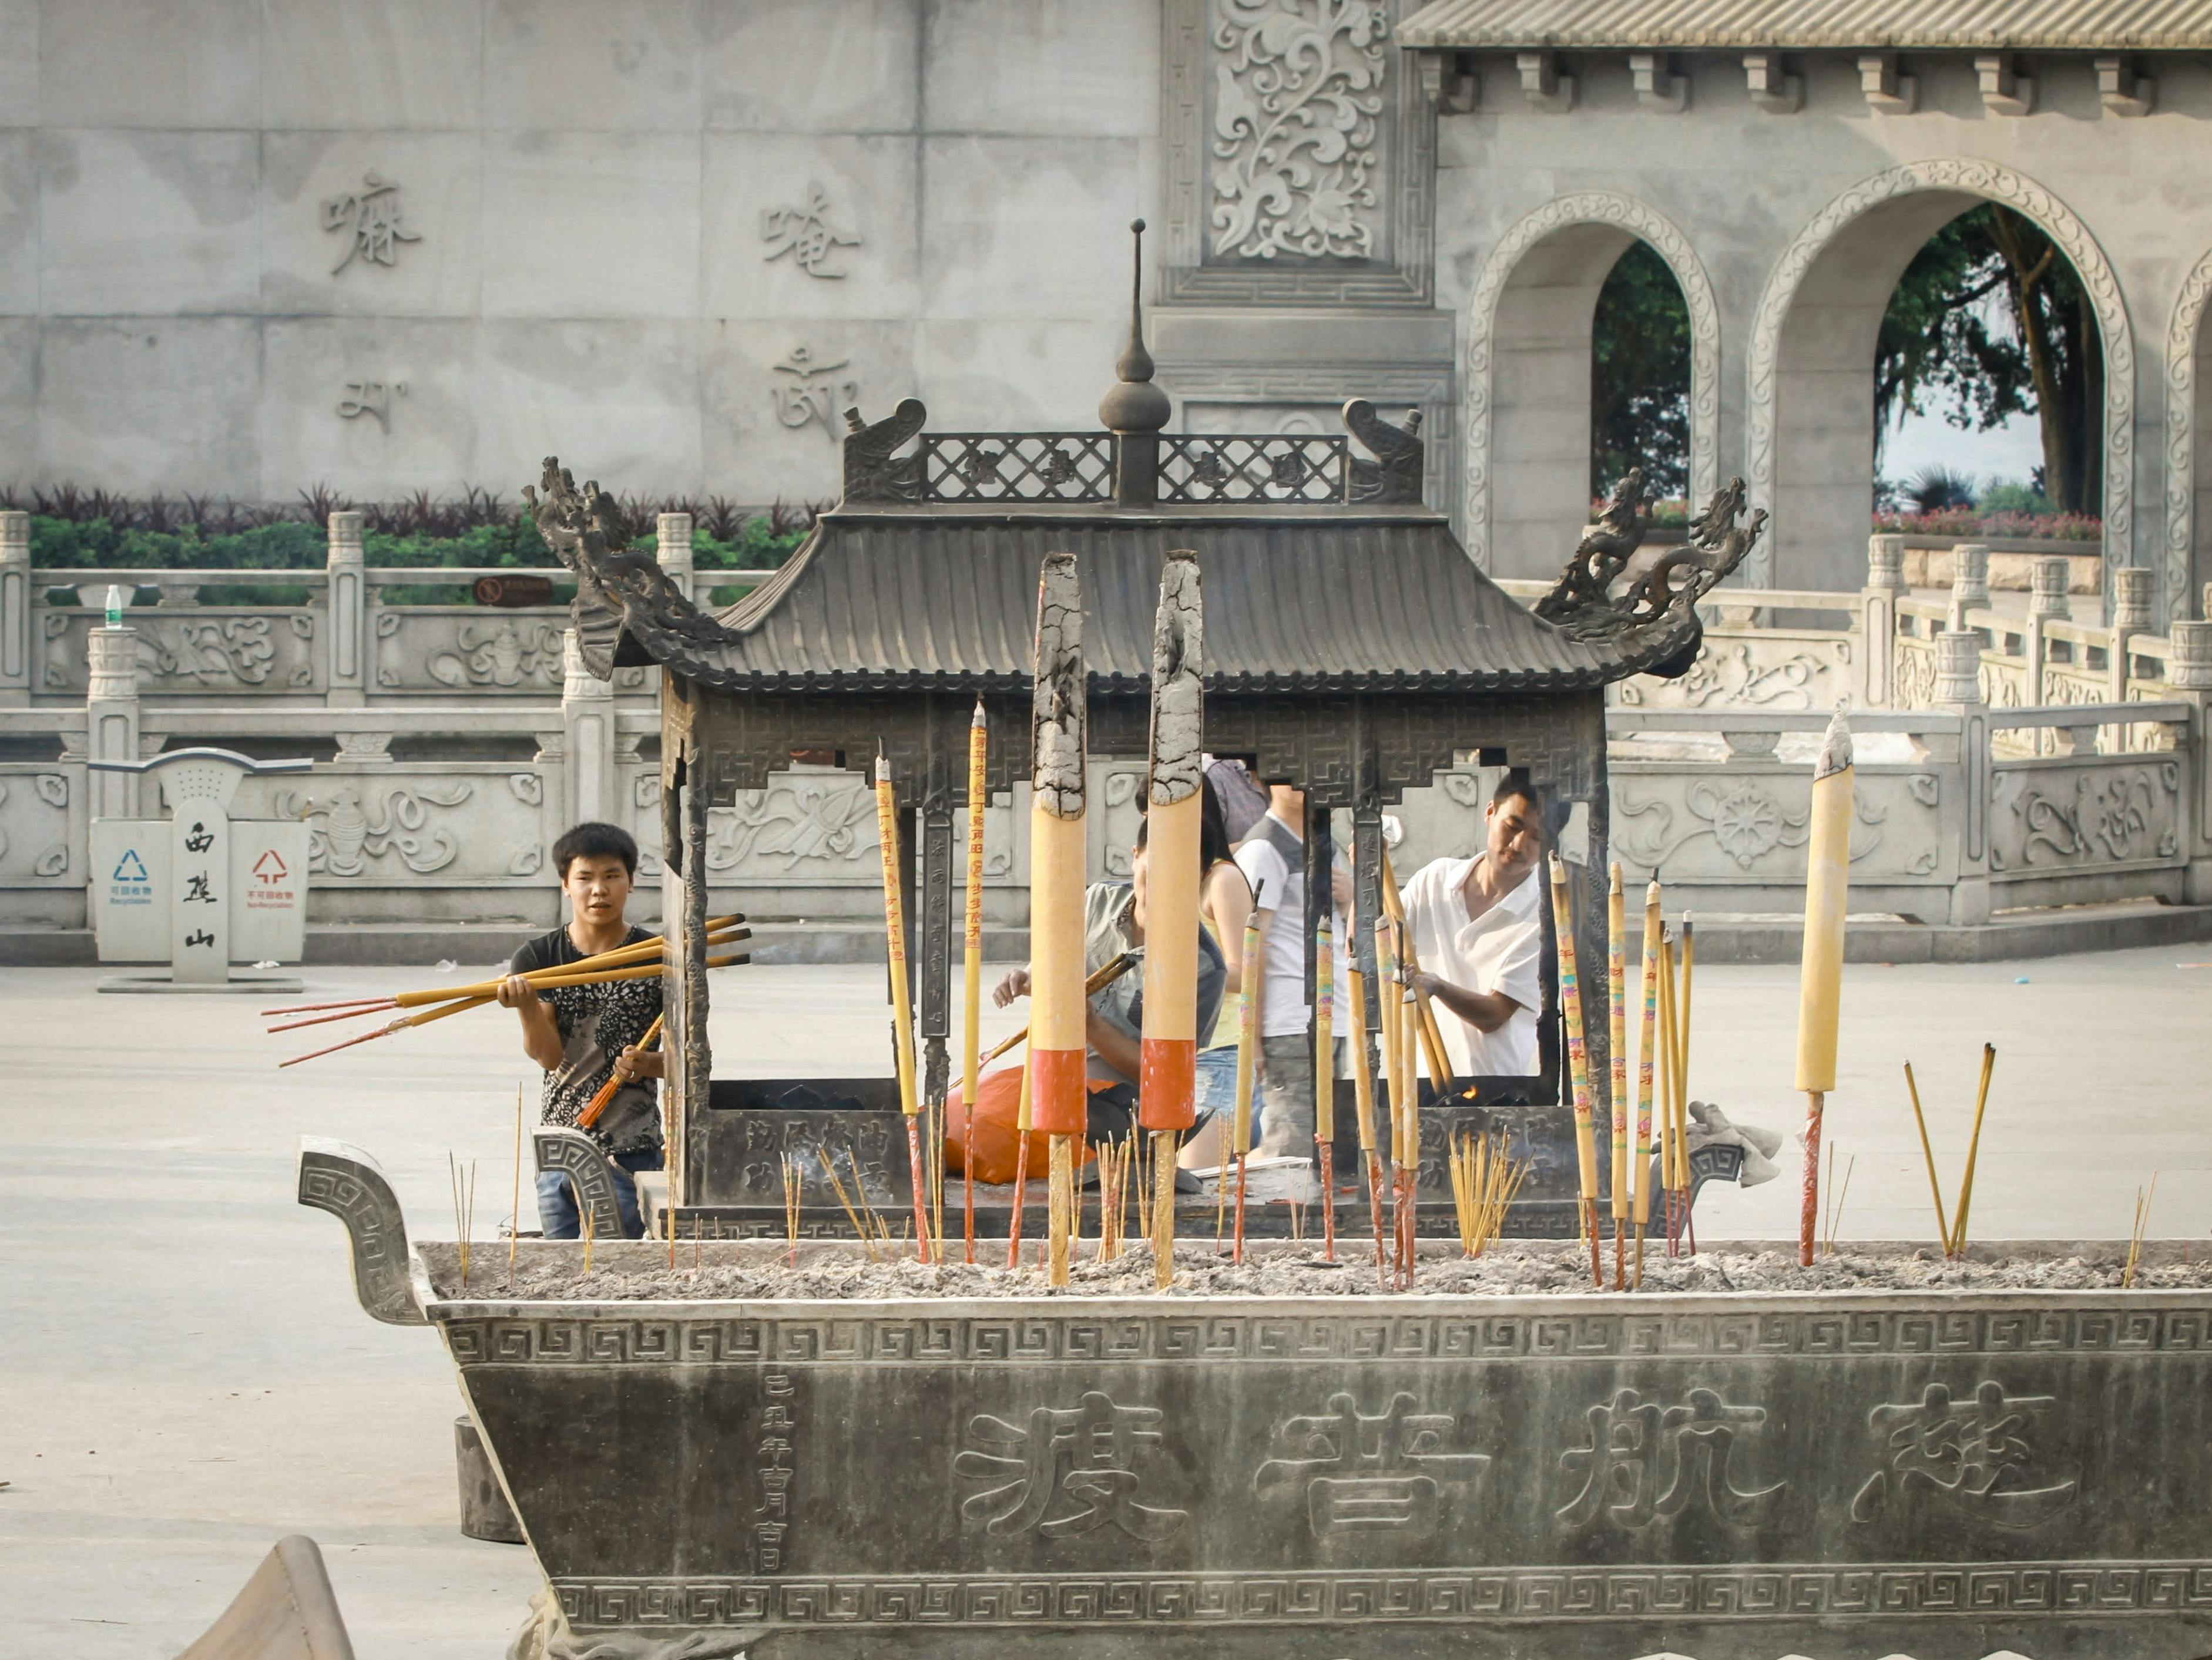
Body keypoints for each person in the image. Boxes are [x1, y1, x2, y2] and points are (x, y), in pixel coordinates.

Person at [991, 815, 1227, 1144]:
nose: (1163, 887)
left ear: (1203, 876)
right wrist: (1027, 978)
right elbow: (1048, 968)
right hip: (1051, 1076)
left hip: (1121, 1111)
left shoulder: (1204, 967)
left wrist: (1091, 1024)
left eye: (1180, 876)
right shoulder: (1096, 901)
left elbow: (1164, 1077)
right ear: (1134, 856)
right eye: (1153, 872)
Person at [498, 822, 664, 1239]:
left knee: (617, 1268)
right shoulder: (540, 957)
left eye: (611, 877)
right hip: (562, 1144)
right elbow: (550, 1058)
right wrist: (526, 1010)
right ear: (565, 886)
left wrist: (649, 1064)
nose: (599, 890)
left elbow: (692, 1062)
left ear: (630, 883)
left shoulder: (661, 959)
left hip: (632, 1149)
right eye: (585, 878)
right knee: (565, 1267)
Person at [1233, 781, 1352, 1184]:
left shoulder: (1325, 843)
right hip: (1288, 1018)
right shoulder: (1263, 847)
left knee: (1325, 1144)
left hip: (1330, 1013)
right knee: (1295, 1146)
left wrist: (1350, 899)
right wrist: (1252, 1035)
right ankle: (1287, 1231)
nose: (1302, 783)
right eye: (1288, 774)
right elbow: (1253, 944)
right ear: (1263, 780)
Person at [1398, 775, 1547, 1080]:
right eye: (1513, 826)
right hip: (1419, 1084)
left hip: (1497, 1088)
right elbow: (1380, 936)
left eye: (1536, 836)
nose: (1519, 844)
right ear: (1490, 812)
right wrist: (1367, 876)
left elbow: (1495, 1014)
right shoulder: (1433, 881)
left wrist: (1437, 987)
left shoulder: (1542, 916)